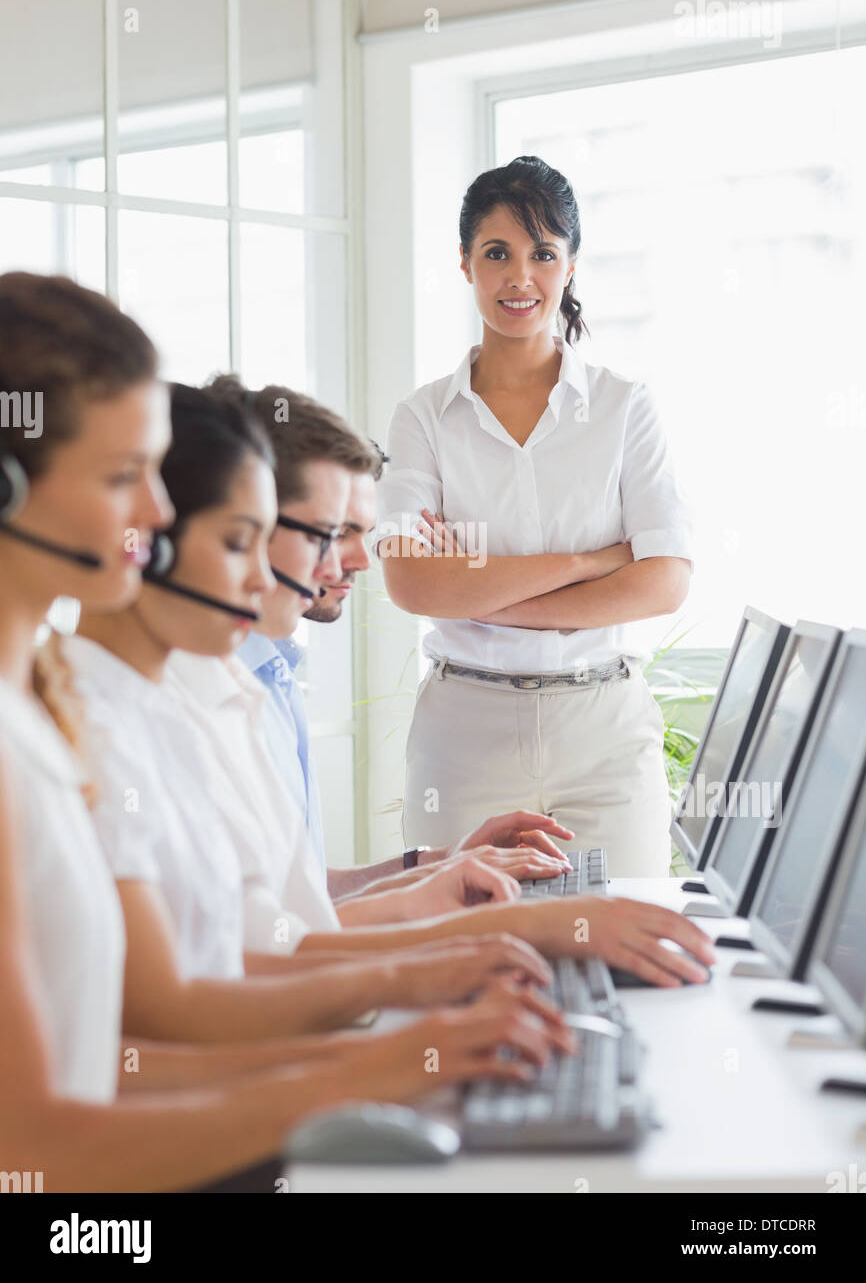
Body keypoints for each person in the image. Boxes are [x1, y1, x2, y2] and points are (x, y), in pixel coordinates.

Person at [0, 271, 575, 1193]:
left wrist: (403, 1048)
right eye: (122, 476)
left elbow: (113, 1058)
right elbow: (41, 1141)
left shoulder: (45, 713)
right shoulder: (54, 735)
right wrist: (379, 1063)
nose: (153, 514)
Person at [376, 155, 695, 876]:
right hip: (464, 734)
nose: (519, 277)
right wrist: (591, 562)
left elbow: (665, 583)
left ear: (570, 264)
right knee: (466, 948)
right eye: (497, 253)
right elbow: (414, 587)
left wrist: (482, 591)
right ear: (465, 264)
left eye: (542, 254)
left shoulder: (623, 406)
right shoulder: (423, 417)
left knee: (628, 931)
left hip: (603, 731)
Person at [221, 375, 577, 903]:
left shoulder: (273, 673)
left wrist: (438, 866)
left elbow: (307, 895)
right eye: (334, 531)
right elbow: (262, 946)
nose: (365, 559)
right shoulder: (210, 693)